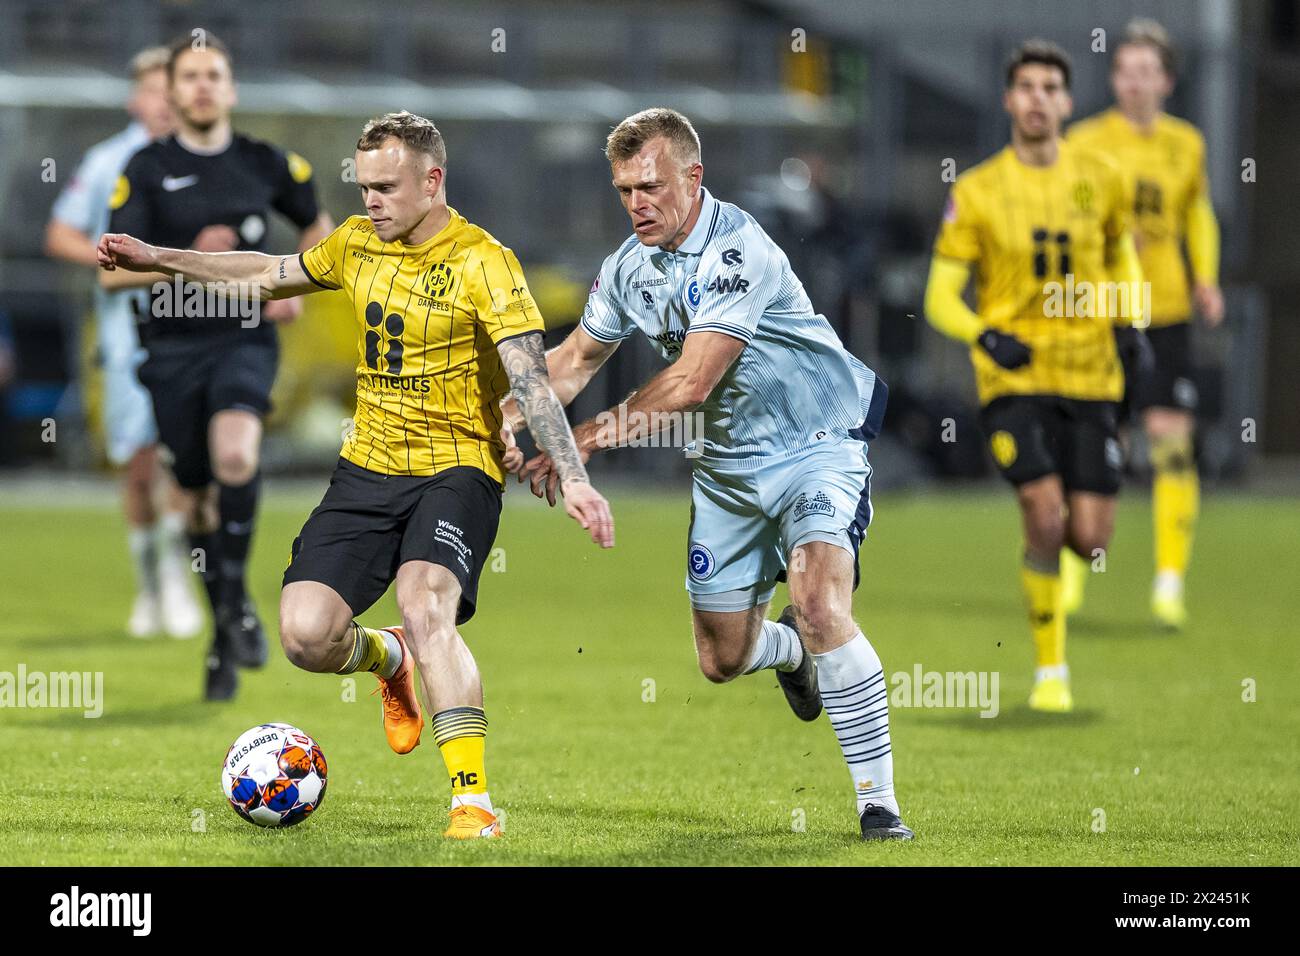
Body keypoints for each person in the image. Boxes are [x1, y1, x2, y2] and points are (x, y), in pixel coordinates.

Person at [99, 110, 615, 839]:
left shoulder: (485, 262)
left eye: (386, 187)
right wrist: (160, 257)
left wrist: (575, 475)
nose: (370, 200)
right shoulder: (355, 243)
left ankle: (473, 802)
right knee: (307, 637)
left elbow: (532, 381)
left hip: (457, 468)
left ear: (432, 182)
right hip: (366, 470)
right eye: (364, 185)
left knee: (425, 602)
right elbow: (267, 275)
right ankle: (387, 656)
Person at [511, 107, 910, 841]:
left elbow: (693, 381)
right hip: (727, 471)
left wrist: (590, 435)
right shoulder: (630, 268)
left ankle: (878, 807)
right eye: (625, 189)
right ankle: (793, 654)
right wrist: (500, 421)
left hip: (815, 444)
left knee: (822, 602)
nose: (637, 202)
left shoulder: (736, 249)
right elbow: (570, 363)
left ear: (694, 177)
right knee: (722, 659)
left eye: (651, 186)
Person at [101, 33, 333, 699]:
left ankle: (234, 611)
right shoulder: (144, 168)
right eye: (190, 76)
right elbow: (113, 277)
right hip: (171, 350)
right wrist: (181, 256)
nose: (203, 86)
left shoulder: (268, 164)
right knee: (197, 496)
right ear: (172, 92)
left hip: (244, 339)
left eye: (214, 75)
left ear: (231, 88)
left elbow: (320, 229)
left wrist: (296, 285)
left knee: (236, 456)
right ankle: (224, 617)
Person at [923, 40, 1147, 712]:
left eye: (1051, 87)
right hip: (1014, 382)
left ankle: (1068, 562)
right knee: (1044, 518)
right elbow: (939, 295)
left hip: (1092, 377)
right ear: (1008, 100)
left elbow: (1123, 261)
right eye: (1026, 87)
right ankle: (1052, 671)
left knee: (1091, 537)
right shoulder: (979, 190)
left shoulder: (1101, 176)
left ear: (1068, 101)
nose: (1039, 99)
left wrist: (1131, 320)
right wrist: (983, 334)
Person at [1069, 19, 1223, 629]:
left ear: (1165, 80)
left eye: (1146, 72)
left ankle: (1168, 584)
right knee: (1098, 444)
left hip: (1166, 314)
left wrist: (1205, 276)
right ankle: (1076, 575)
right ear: (1115, 78)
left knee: (1172, 446)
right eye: (1124, 71)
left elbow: (1199, 214)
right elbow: (1068, 215)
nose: (1133, 83)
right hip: (1104, 314)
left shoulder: (1186, 144)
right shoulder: (1084, 140)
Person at [44, 46, 201, 640]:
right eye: (160, 91)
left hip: (190, 324)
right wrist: (114, 258)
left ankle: (176, 574)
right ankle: (147, 584)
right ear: (138, 98)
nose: (170, 101)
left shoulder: (202, 157)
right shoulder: (108, 160)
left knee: (183, 459)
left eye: (177, 89)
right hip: (125, 332)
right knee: (138, 463)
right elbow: (59, 234)